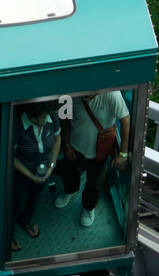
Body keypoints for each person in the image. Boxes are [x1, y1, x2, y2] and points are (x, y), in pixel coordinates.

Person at [56, 91, 130, 226]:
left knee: (95, 182)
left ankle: (88, 208)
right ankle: (70, 190)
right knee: (70, 170)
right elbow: (64, 117)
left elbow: (125, 120)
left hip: (100, 148)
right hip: (75, 144)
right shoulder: (71, 90)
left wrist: (123, 154)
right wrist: (66, 144)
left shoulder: (113, 94)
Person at [12, 102, 60, 249]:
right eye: (36, 120)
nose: (41, 123)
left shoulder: (52, 116)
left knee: (34, 198)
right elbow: (11, 157)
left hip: (43, 169)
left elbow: (57, 139)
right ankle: (9, 232)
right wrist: (30, 176)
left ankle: (26, 220)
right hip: (22, 171)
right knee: (16, 202)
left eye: (43, 118)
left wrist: (51, 166)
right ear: (28, 115)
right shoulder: (17, 125)